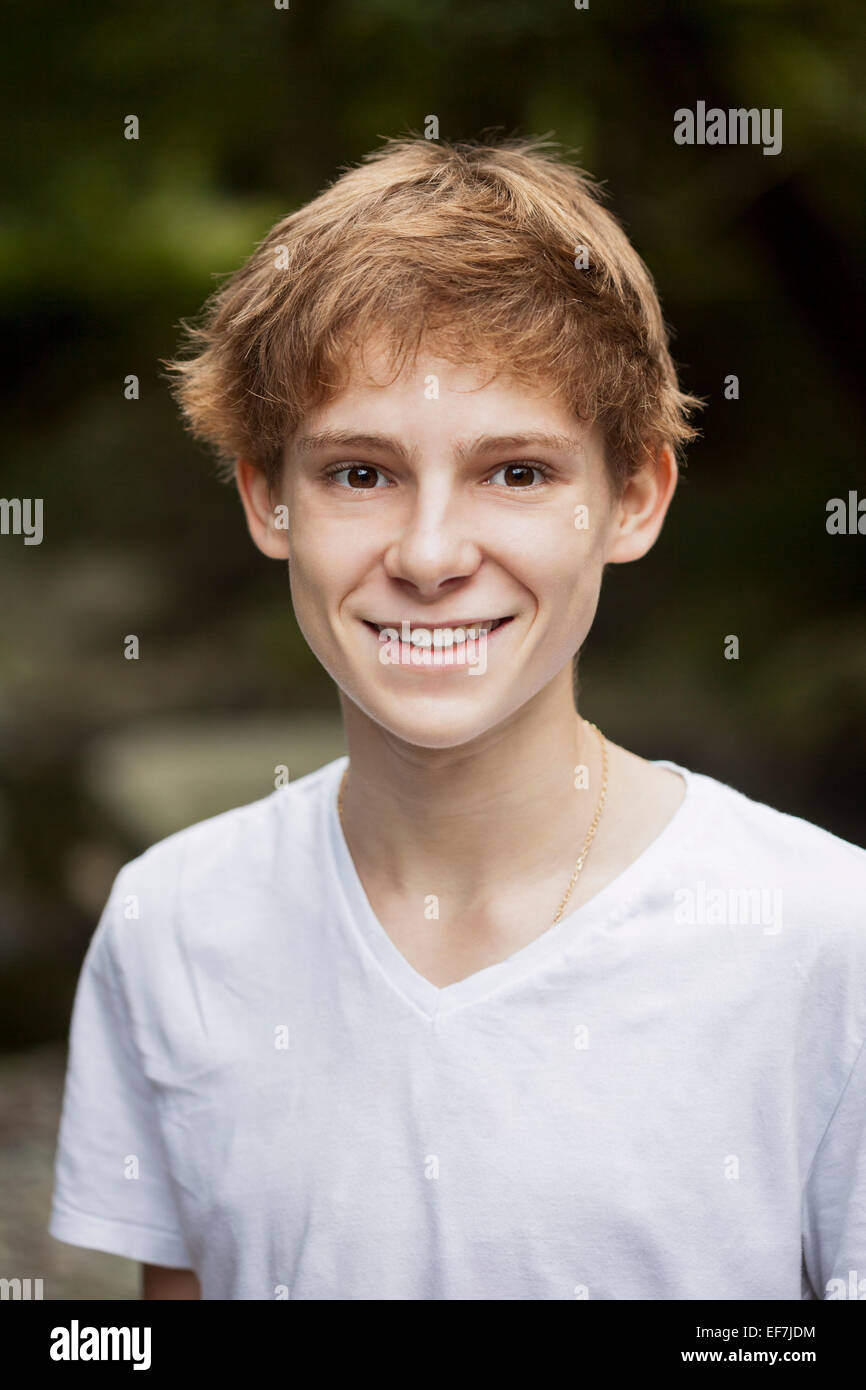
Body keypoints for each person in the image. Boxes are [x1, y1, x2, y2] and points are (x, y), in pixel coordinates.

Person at [48, 137, 866, 1301]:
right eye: (360, 473)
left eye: (516, 472)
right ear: (264, 496)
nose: (430, 555)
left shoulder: (827, 938)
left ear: (631, 496)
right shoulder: (172, 925)